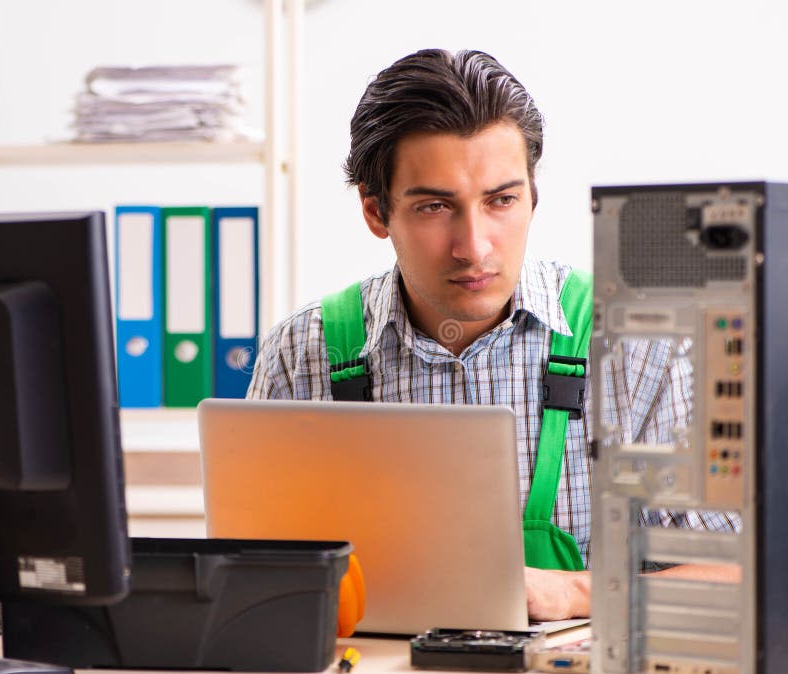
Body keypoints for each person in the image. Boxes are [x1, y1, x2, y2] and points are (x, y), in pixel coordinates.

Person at [247, 48, 739, 620]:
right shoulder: (301, 355)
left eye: (501, 200)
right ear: (377, 213)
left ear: (533, 197)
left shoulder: (639, 345)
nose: (474, 247)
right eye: (435, 206)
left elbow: (735, 572)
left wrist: (573, 592)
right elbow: (257, 578)